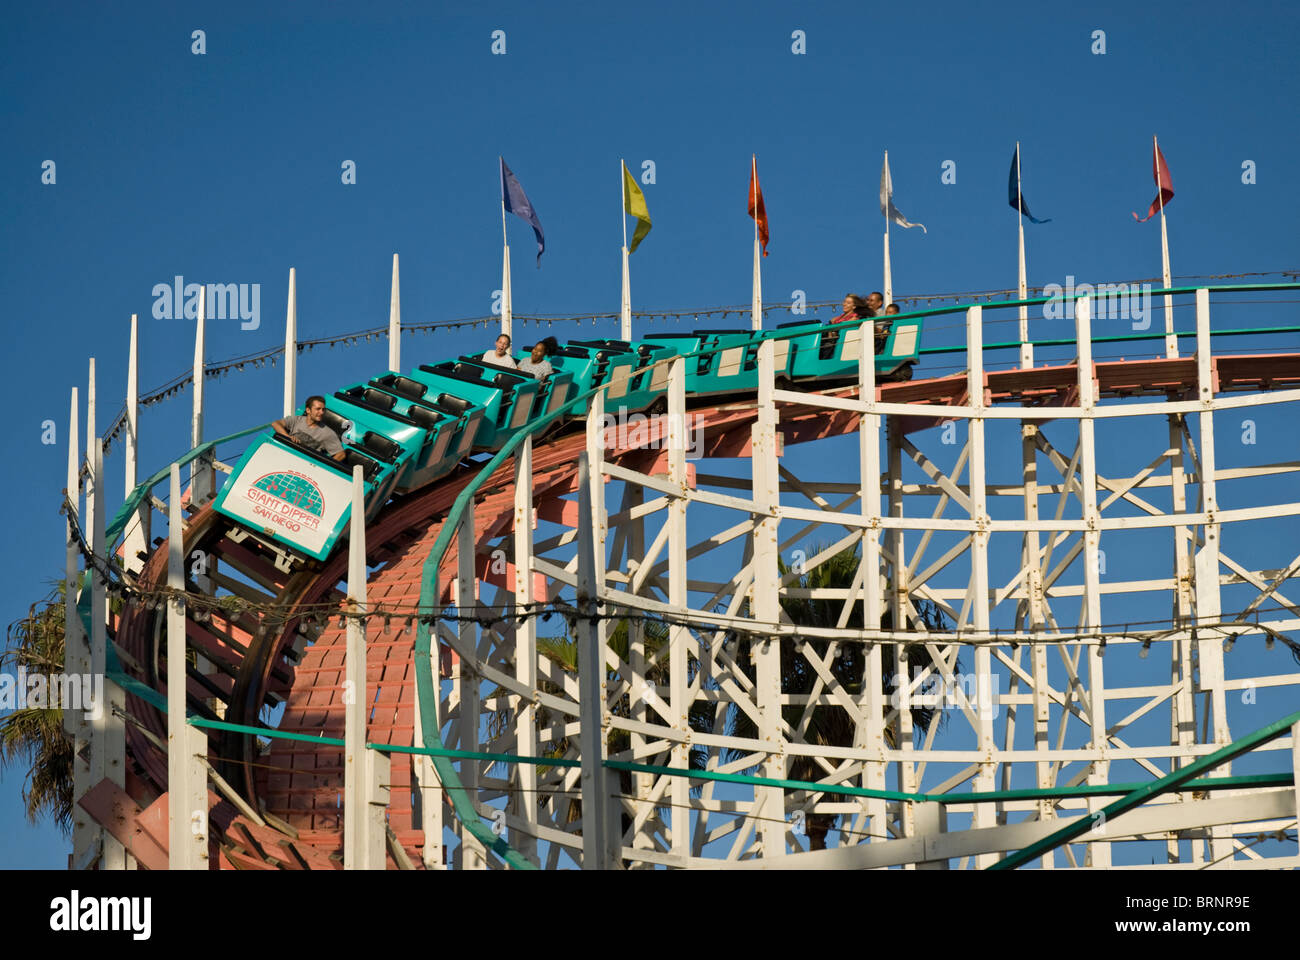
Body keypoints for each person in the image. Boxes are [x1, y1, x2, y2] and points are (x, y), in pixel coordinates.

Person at [272, 396, 346, 461]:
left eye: (323, 409)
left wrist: (320, 467)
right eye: (318, 409)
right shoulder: (297, 420)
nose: (321, 412)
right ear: (308, 410)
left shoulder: (327, 433)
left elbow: (341, 454)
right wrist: (288, 438)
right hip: (286, 455)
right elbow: (275, 424)